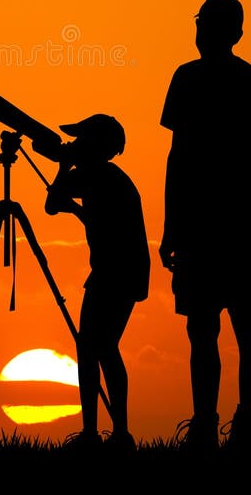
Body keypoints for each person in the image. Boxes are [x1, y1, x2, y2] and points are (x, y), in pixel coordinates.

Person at [159, 0, 251, 453]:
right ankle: (208, 425)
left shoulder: (250, 84)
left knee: (238, 322)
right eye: (199, 24)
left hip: (232, 220)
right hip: (201, 221)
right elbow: (177, 157)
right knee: (205, 326)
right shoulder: (192, 79)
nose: (201, 33)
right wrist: (171, 226)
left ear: (232, 33)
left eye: (208, 25)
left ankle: (242, 422)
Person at [39, 113, 150, 454]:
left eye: (80, 140)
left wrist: (63, 165)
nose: (74, 144)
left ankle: (111, 434)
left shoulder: (99, 175)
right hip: (116, 271)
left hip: (116, 272)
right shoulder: (103, 175)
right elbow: (57, 205)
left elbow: (51, 203)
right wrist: (67, 168)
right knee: (95, 348)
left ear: (95, 145)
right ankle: (108, 433)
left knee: (96, 348)